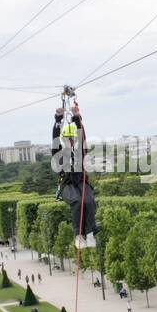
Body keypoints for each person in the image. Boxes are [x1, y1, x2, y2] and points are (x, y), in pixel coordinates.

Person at [51, 100, 98, 248]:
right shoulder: (58, 151)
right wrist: (58, 119)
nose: (71, 141)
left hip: (81, 181)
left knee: (89, 201)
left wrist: (77, 117)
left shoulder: (80, 151)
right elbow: (54, 138)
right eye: (68, 139)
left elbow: (82, 135)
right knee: (77, 201)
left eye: (73, 139)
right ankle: (78, 235)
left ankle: (90, 233)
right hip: (67, 184)